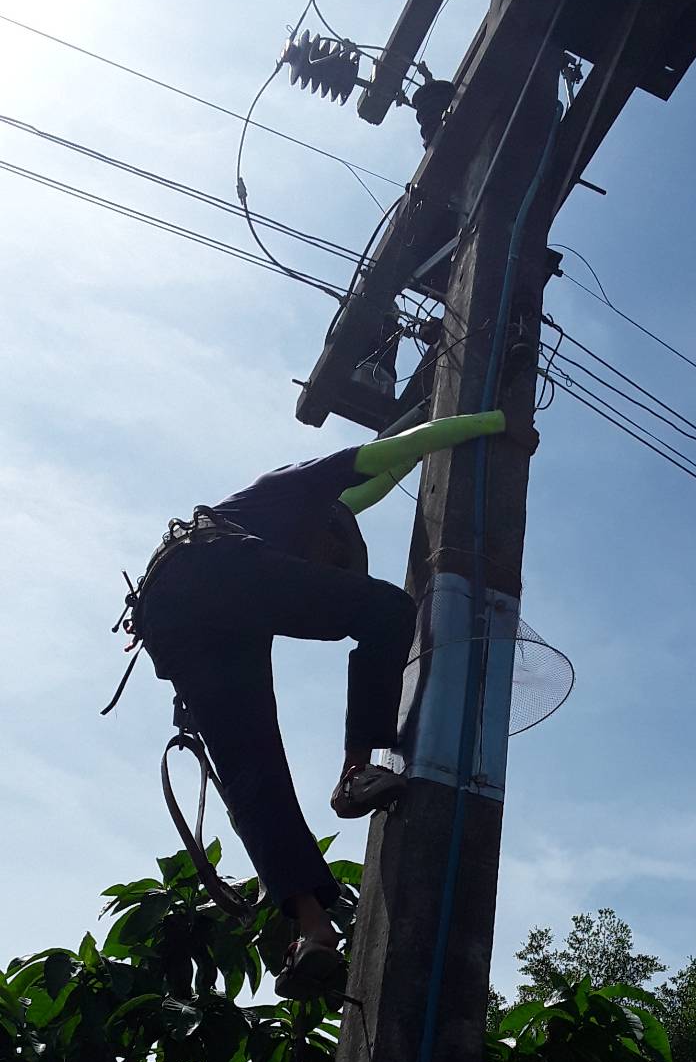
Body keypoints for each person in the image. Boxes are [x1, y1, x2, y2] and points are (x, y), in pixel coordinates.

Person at [134, 409, 507, 999]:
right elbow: (394, 450)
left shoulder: (290, 522)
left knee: (253, 770)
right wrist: (495, 421)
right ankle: (356, 771)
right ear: (332, 531)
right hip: (206, 570)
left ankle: (313, 929)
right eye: (332, 563)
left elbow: (391, 466)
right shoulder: (294, 488)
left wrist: (430, 403)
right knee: (384, 610)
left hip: (176, 620)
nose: (316, 575)